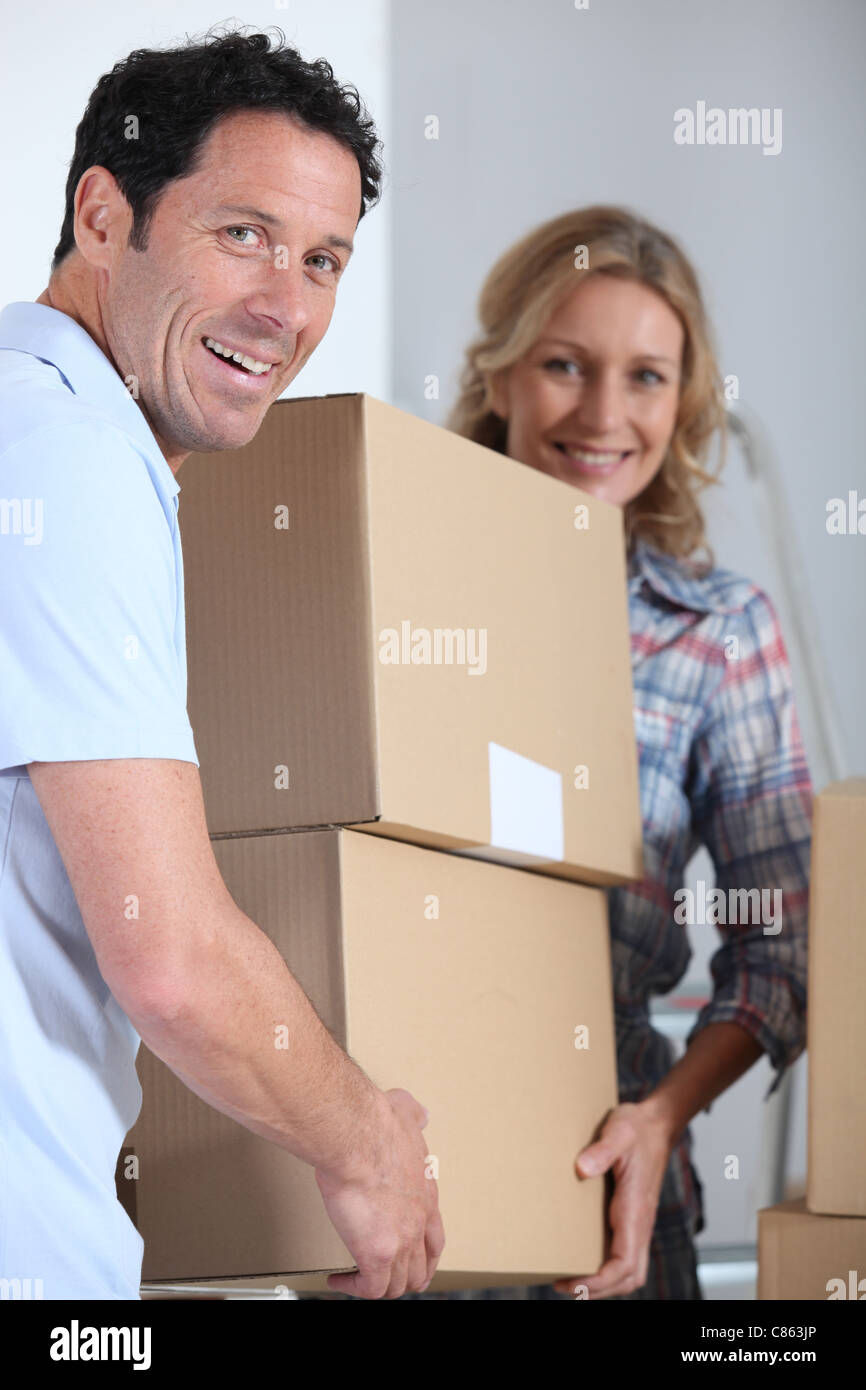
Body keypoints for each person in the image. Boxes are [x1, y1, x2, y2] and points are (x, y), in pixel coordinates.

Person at [0, 28, 443, 1301]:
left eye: (322, 260)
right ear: (102, 212)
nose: (286, 306)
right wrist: (371, 1146)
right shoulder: (68, 459)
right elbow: (170, 952)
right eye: (241, 233)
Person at [402, 205, 812, 1300]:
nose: (600, 413)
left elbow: (783, 949)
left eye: (643, 377)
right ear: (498, 377)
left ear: (680, 405)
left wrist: (660, 1116)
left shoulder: (717, 632)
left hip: (601, 1190)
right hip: (383, 1175)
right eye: (563, 365)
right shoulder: (389, 583)